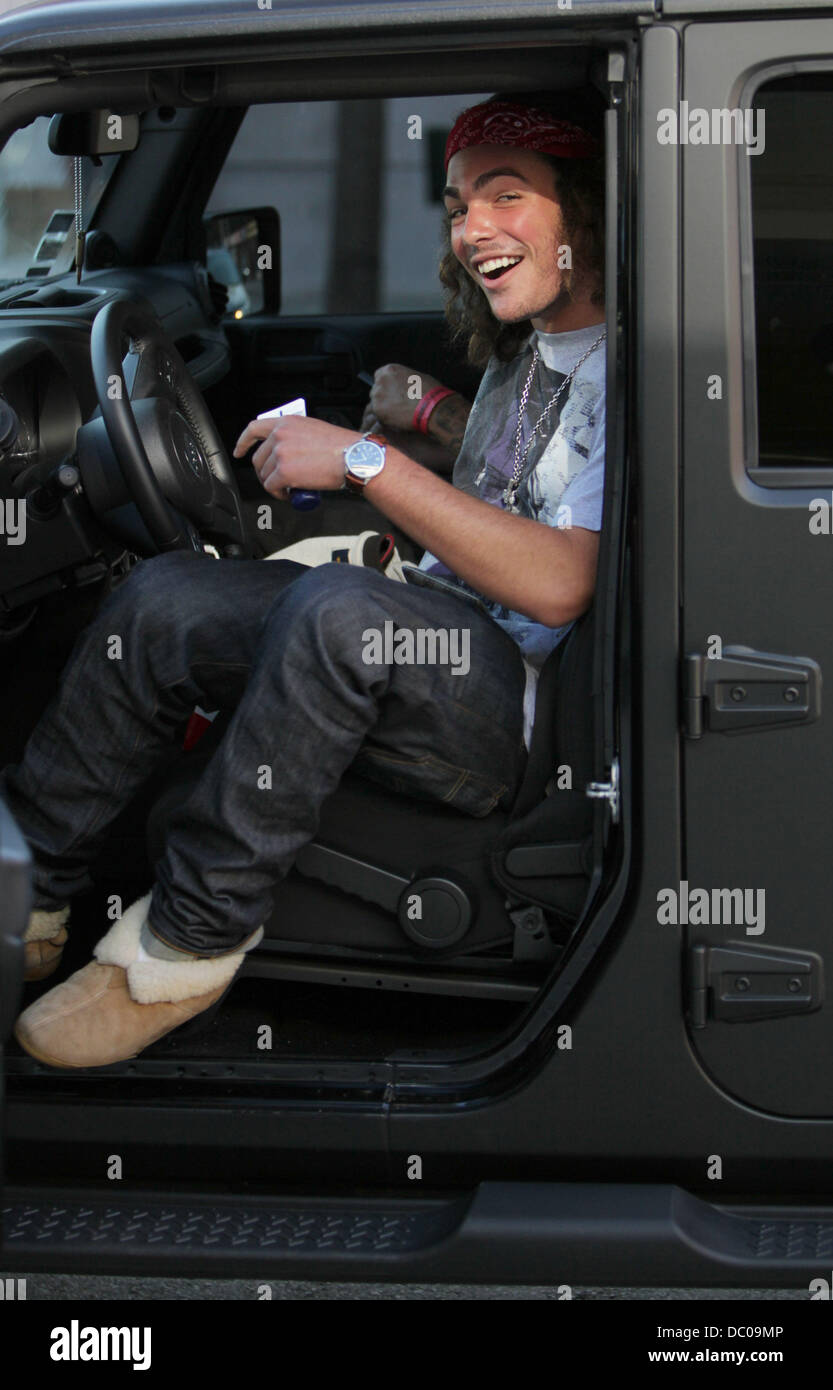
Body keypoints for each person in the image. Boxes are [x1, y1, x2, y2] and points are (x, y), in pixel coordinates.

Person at [5, 95, 607, 1068]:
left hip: (523, 705)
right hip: (456, 629)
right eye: (457, 204)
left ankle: (187, 944)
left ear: (582, 211)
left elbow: (560, 582)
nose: (471, 230)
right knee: (166, 600)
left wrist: (364, 465)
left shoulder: (627, 368)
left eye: (507, 196)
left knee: (341, 618)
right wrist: (440, 419)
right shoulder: (532, 344)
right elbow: (529, 491)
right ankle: (29, 891)